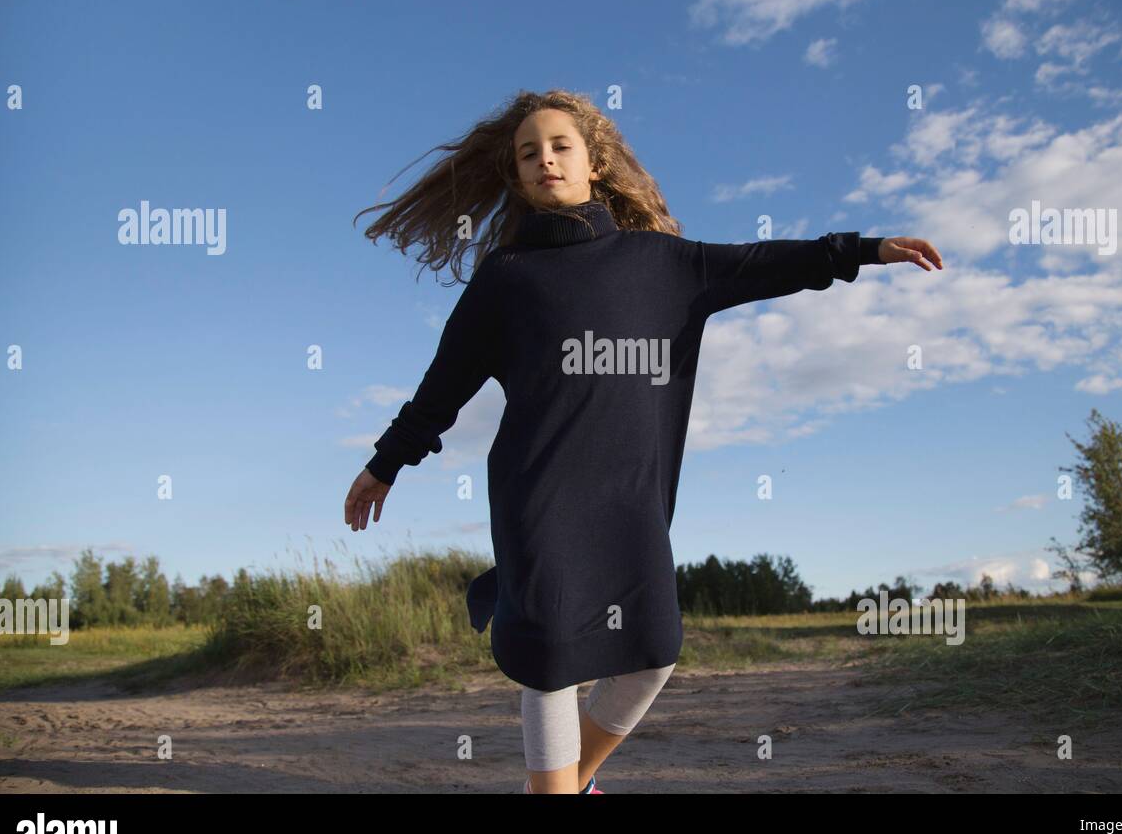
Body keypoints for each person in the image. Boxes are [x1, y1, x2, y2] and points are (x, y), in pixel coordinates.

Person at [343, 89, 943, 793]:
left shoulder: (663, 264)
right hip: (538, 499)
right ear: (518, 178)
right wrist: (385, 463)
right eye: (529, 154)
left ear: (594, 163)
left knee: (654, 652)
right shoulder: (505, 281)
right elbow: (441, 389)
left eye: (560, 147)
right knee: (550, 661)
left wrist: (864, 250)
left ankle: (573, 783)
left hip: (629, 501)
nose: (545, 162)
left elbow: (763, 263)